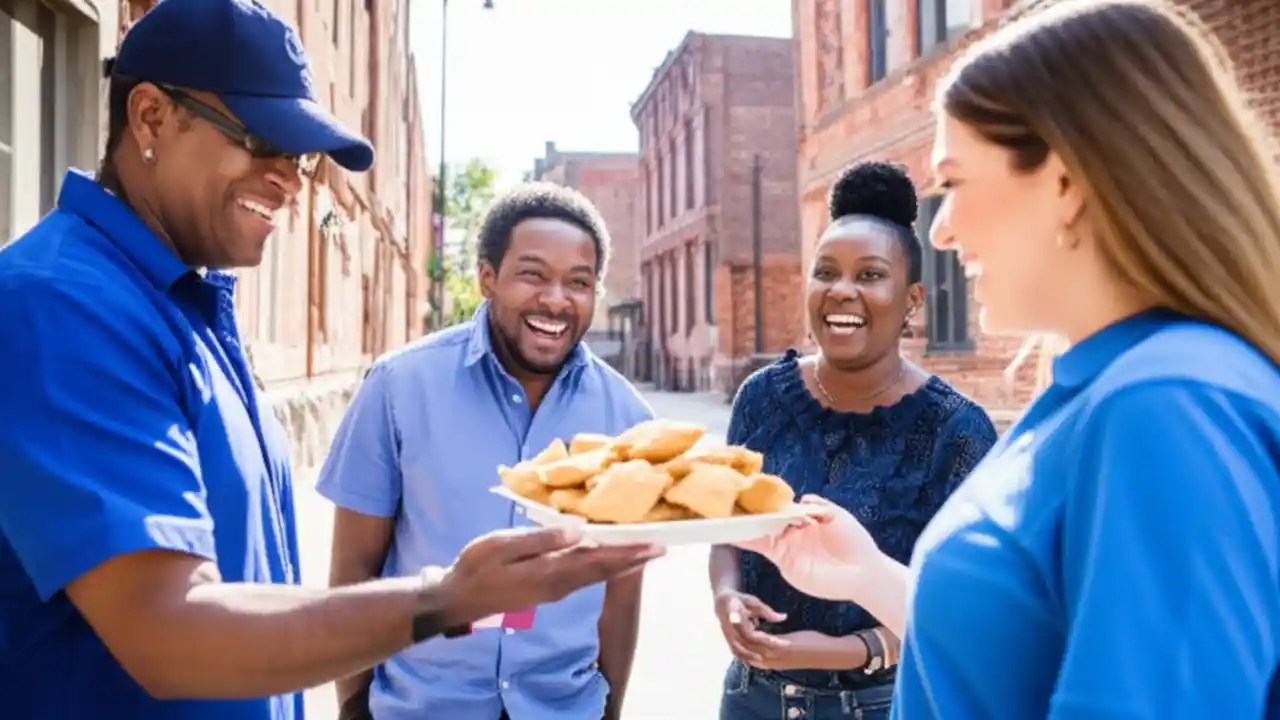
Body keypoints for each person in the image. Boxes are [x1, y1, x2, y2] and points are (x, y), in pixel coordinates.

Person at [0, 2, 660, 718]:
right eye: (259, 139)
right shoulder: (64, 306)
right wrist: (448, 598)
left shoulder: (184, 303)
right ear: (152, 117)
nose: (289, 178)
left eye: (300, 156)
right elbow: (166, 630)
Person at [737, 1, 1280, 718]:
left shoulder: (1168, 404)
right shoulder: (1110, 388)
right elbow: (1021, 654)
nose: (947, 229)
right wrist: (869, 576)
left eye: (955, 182)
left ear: (1064, 181)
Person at [318, 182, 657, 720]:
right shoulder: (399, 386)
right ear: (487, 278)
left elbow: (620, 595)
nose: (555, 299)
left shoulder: (629, 419)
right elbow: (354, 565)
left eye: (579, 282)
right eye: (533, 274)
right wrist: (353, 706)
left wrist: (610, 710)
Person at [709, 161, 997, 719]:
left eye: (869, 275)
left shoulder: (956, 432)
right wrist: (726, 597)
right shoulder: (761, 397)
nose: (842, 291)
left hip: (880, 703)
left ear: (912, 299)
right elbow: (727, 528)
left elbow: (962, 607)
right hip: (752, 699)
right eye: (826, 273)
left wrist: (849, 650)